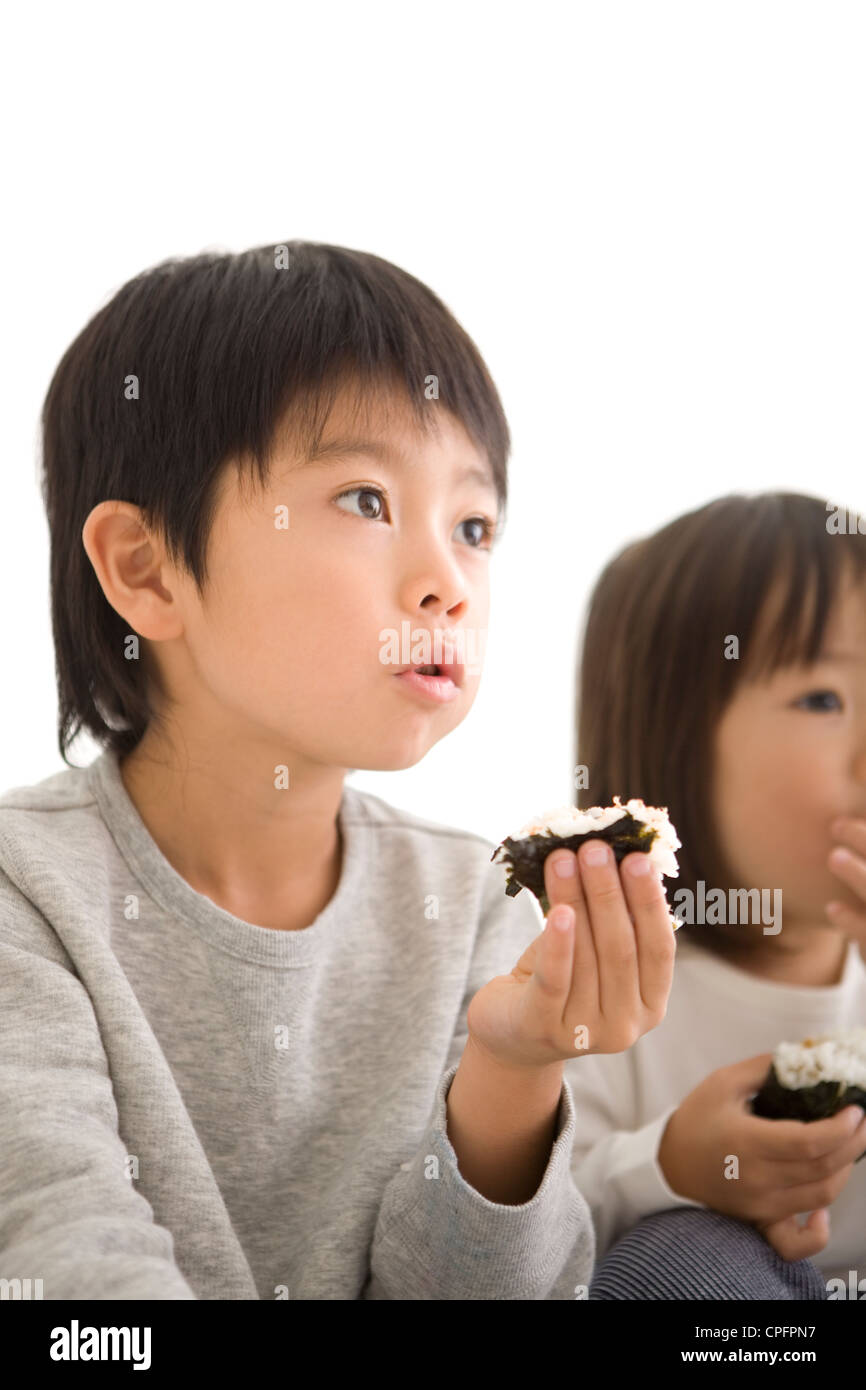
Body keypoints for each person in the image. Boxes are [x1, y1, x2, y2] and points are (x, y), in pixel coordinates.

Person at [0, 241, 676, 1300]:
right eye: (365, 500)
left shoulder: (472, 906)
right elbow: (66, 1272)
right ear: (145, 569)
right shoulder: (23, 892)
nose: (446, 581)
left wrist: (512, 1069)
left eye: (472, 524)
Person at [560, 491, 866, 1300]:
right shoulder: (599, 986)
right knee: (684, 1251)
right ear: (676, 745)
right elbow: (528, 1241)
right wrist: (670, 1168)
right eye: (824, 700)